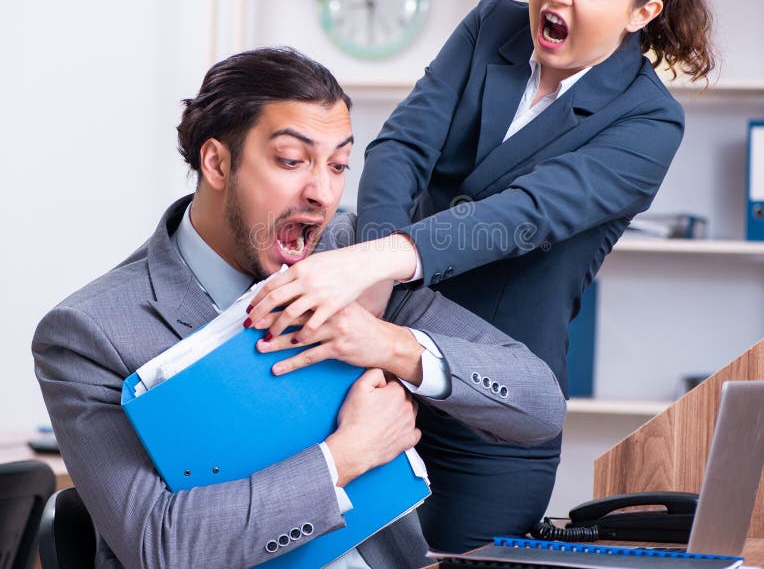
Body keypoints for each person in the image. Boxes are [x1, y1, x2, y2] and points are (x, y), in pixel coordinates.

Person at [243, 0, 716, 552]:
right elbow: (401, 146)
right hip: (371, 367)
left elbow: (523, 214)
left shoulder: (649, 119)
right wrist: (375, 292)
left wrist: (373, 263)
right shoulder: (493, 25)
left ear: (643, 12)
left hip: (490, 412)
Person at [32, 46, 565, 569]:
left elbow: (539, 405)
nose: (322, 193)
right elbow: (161, 548)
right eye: (291, 161)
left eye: (338, 165)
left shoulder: (349, 257)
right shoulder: (89, 332)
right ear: (217, 162)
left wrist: (388, 343)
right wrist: (347, 456)